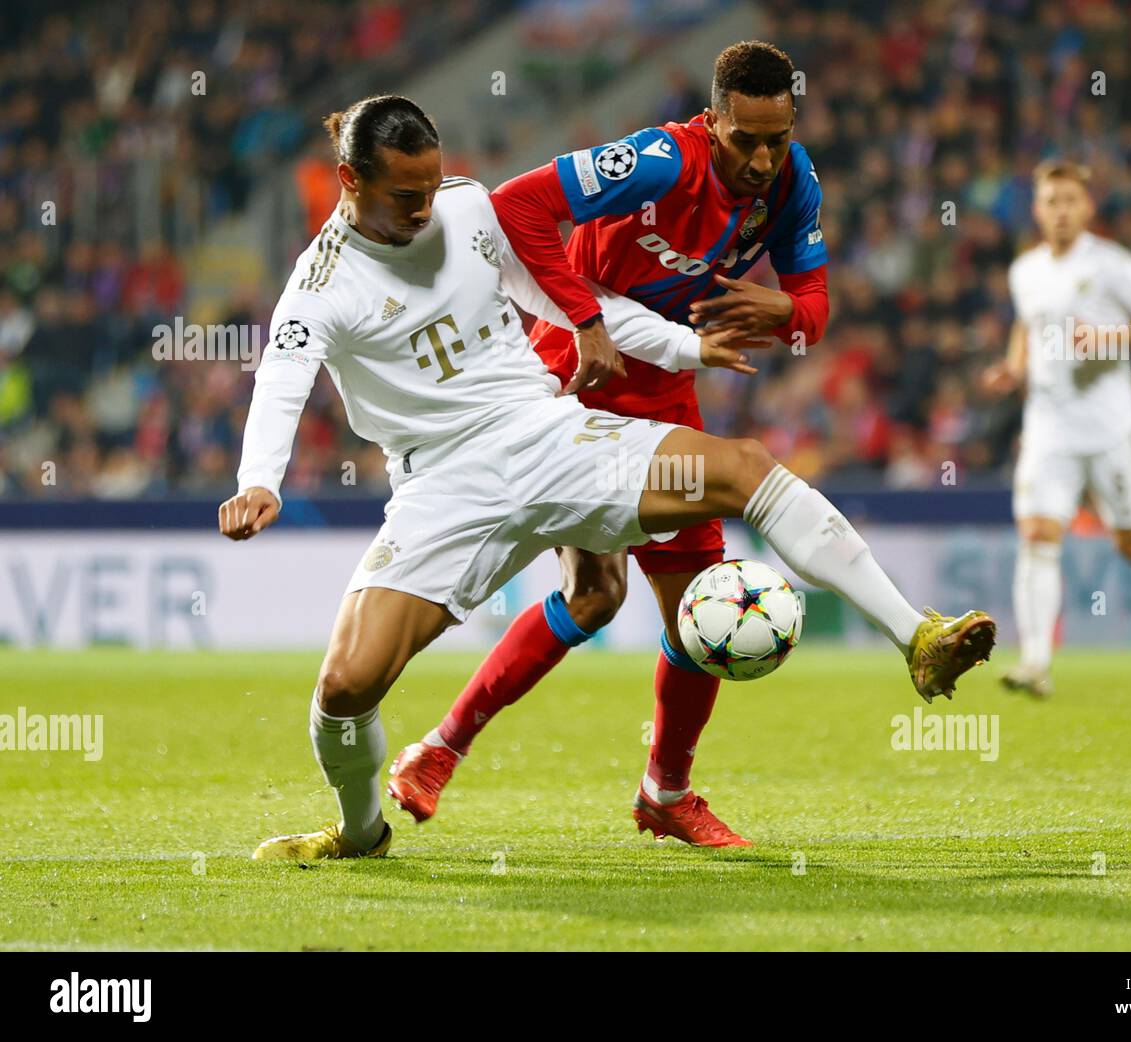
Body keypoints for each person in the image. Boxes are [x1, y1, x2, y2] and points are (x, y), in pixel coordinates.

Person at [220, 94, 995, 861]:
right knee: (346, 689)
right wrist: (262, 480)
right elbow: (282, 377)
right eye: (405, 195)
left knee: (743, 468)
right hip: (441, 486)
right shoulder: (319, 284)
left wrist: (684, 349)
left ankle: (914, 635)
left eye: (432, 186)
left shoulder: (467, 210)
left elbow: (567, 299)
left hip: (545, 432)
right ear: (350, 183)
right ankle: (361, 833)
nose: (426, 209)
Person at [391, 40, 830, 847]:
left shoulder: (796, 180)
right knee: (594, 594)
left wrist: (789, 316)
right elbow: (517, 206)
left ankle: (665, 791)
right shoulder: (658, 159)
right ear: (715, 120)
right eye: (749, 141)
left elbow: (812, 300)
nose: (767, 157)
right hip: (574, 374)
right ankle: (438, 748)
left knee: (702, 611)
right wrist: (584, 319)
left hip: (664, 390)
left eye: (780, 136)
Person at [982, 160, 1131, 699]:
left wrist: (1110, 340)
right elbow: (1027, 326)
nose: (1061, 211)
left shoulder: (1113, 264)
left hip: (1110, 427)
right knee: (1038, 536)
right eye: (1052, 201)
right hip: (1048, 425)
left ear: (1088, 206)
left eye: (1071, 200)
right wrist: (1014, 367)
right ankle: (1036, 663)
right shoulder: (1024, 270)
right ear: (1037, 209)